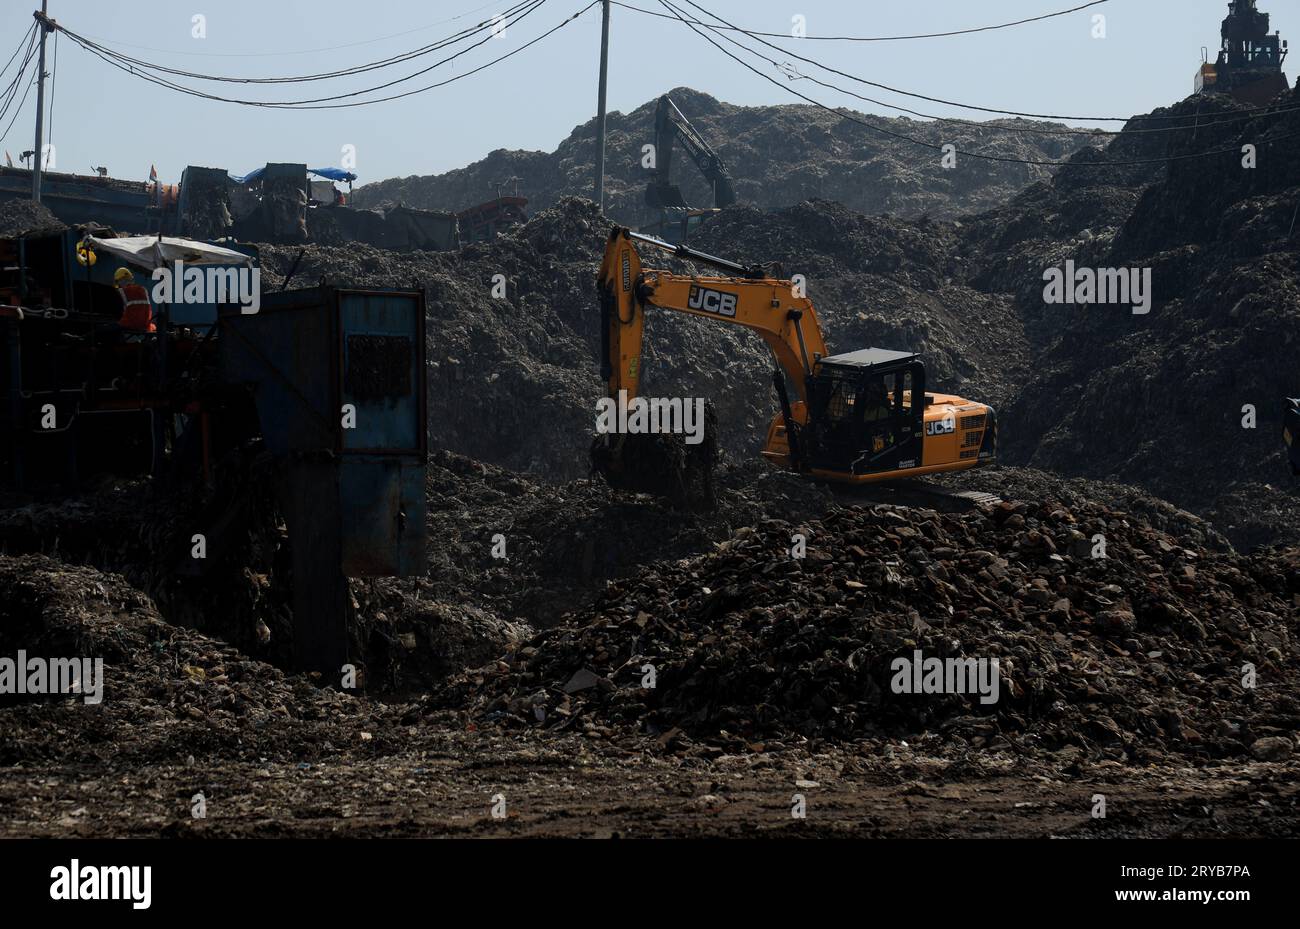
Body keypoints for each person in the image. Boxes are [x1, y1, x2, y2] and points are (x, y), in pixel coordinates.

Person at [114, 267, 156, 333]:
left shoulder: (122, 291)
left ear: (121, 280)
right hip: (145, 324)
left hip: (130, 323)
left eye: (118, 282)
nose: (119, 285)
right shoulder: (143, 289)